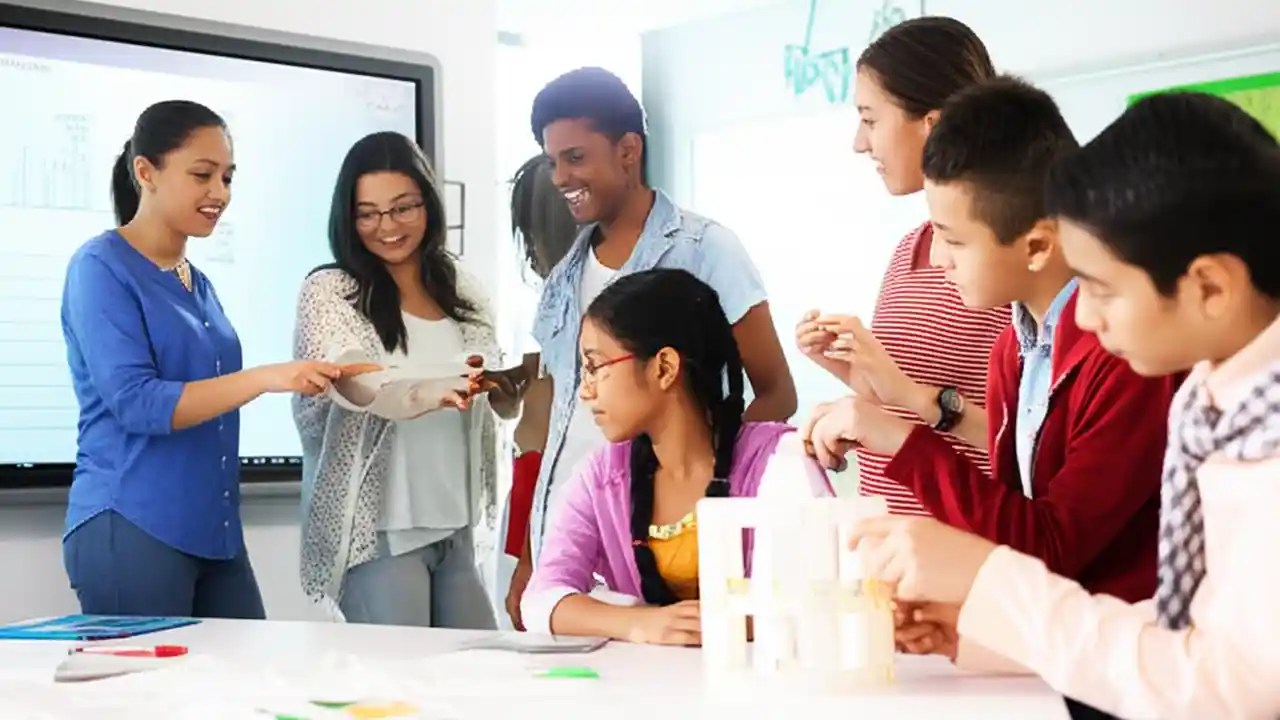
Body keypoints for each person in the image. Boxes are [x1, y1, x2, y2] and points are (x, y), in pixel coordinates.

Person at [852, 93, 1280, 719]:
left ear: (1211, 286)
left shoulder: (1261, 436)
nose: (1080, 314)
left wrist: (990, 577)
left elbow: (1234, 687)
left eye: (1102, 288)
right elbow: (1193, 627)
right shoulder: (1216, 403)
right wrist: (988, 631)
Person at [807, 77, 1175, 607]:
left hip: (1125, 652)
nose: (938, 261)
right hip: (1057, 640)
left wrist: (898, 438)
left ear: (1037, 245)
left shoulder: (1126, 355)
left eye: (955, 241)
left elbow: (1050, 544)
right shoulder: (1013, 349)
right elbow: (1010, 528)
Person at [508, 67, 797, 614]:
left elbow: (777, 392)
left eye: (575, 157)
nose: (560, 176)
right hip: (571, 543)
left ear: (628, 150)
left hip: (665, 544)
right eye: (552, 162)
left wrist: (710, 499)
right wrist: (531, 553)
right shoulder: (563, 278)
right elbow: (554, 426)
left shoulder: (706, 249)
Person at [60, 100, 341, 618]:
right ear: (146, 172)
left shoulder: (198, 283)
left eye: (228, 178)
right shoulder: (99, 267)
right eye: (202, 175)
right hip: (132, 523)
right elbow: (137, 403)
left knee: (243, 690)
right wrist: (262, 378)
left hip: (215, 531)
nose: (220, 194)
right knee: (148, 697)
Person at [521, 269, 830, 642]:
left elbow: (806, 605)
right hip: (650, 696)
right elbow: (540, 601)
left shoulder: (782, 461)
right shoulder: (600, 476)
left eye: (594, 367)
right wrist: (641, 624)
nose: (585, 391)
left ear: (664, 367)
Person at [292, 131, 520, 627]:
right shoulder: (331, 290)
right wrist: (428, 392)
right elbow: (353, 381)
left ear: (428, 205)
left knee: (474, 687)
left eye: (402, 208)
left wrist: (505, 387)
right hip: (382, 534)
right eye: (367, 213)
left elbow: (498, 396)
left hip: (456, 524)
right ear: (347, 218)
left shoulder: (462, 287)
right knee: (402, 692)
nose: (386, 227)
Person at [794, 16, 1011, 516]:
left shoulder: (1006, 259)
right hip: (892, 540)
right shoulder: (910, 248)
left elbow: (1020, 443)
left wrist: (906, 393)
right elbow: (899, 396)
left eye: (870, 119)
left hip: (966, 547)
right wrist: (850, 368)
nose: (859, 142)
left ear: (930, 125)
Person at [500, 154, 579, 631]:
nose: (529, 251)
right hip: (532, 470)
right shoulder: (557, 301)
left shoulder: (576, 300)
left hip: (546, 478)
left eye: (531, 233)